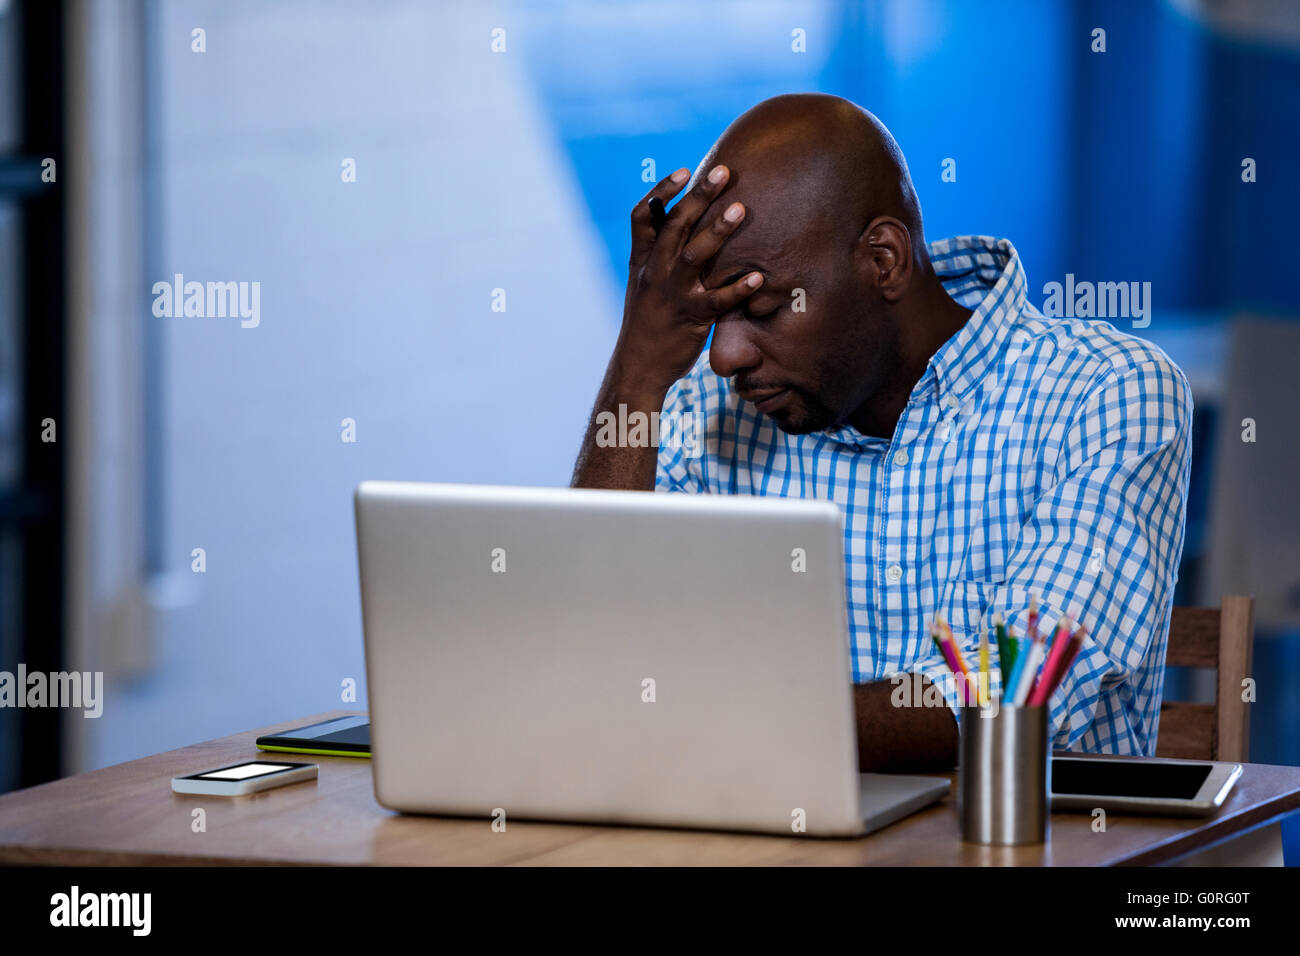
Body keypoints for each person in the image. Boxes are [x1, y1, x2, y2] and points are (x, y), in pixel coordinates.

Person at [571, 93, 1192, 770]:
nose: (725, 357)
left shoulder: (1106, 396)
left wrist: (718, 713)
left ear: (884, 261)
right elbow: (589, 655)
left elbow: (1019, 689)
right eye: (715, 316)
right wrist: (637, 371)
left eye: (764, 309)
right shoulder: (705, 414)